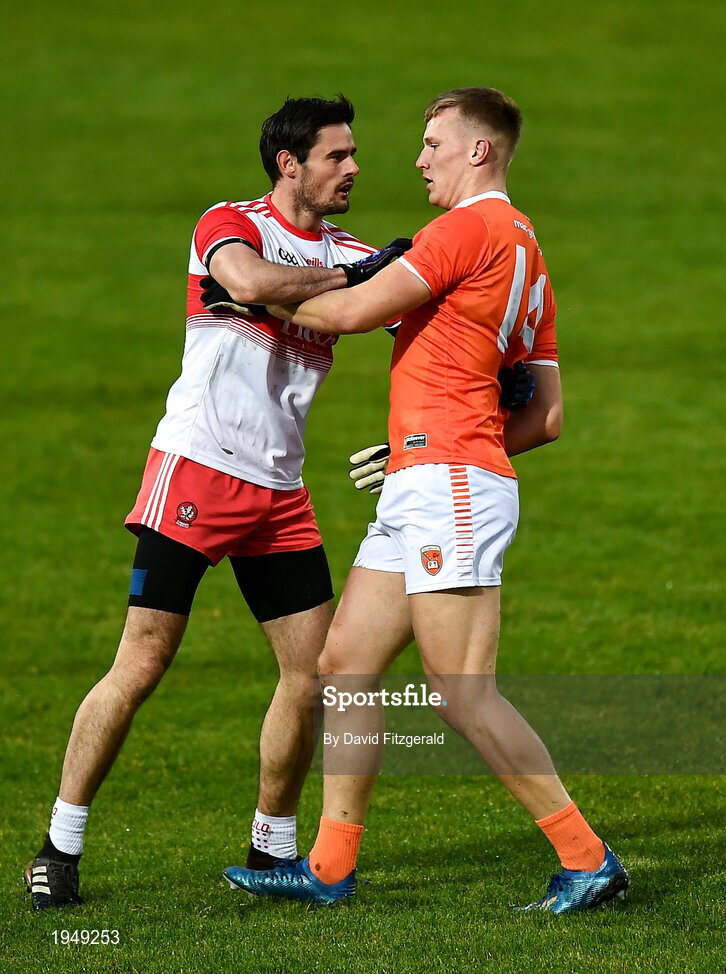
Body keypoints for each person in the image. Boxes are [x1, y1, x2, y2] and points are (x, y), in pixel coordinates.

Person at [223, 87, 630, 913]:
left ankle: (588, 857)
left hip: (448, 486)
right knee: (345, 665)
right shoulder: (530, 256)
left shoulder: (469, 228)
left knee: (459, 689)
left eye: (433, 142)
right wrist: (430, 445)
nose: (418, 159)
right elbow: (544, 416)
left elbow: (349, 310)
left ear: (479, 151)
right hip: (429, 477)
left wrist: (244, 288)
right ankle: (331, 867)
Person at [24, 94, 411, 911]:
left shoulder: (353, 249)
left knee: (311, 676)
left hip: (281, 492)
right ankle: (59, 844)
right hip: (198, 468)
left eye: (353, 154)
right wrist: (347, 281)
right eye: (337, 156)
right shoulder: (228, 223)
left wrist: (502, 360)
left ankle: (270, 844)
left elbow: (420, 310)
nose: (354, 168)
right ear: (289, 164)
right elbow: (246, 280)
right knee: (143, 662)